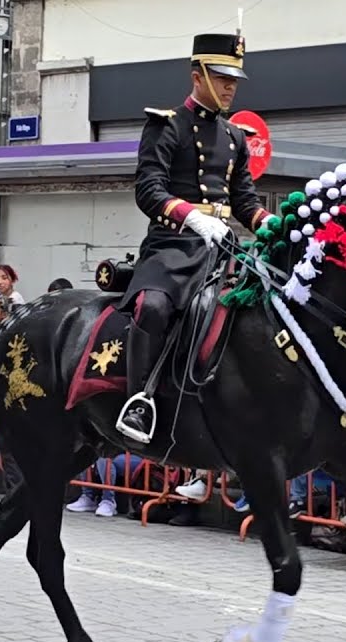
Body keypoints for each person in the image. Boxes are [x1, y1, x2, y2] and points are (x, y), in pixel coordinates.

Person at [115, 31, 273, 444]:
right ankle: (138, 402)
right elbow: (149, 190)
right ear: (197, 75)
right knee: (153, 307)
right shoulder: (166, 126)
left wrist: (268, 223)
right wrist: (192, 218)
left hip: (223, 250)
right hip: (172, 247)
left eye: (234, 80)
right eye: (222, 77)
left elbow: (244, 200)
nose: (230, 87)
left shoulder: (237, 137)